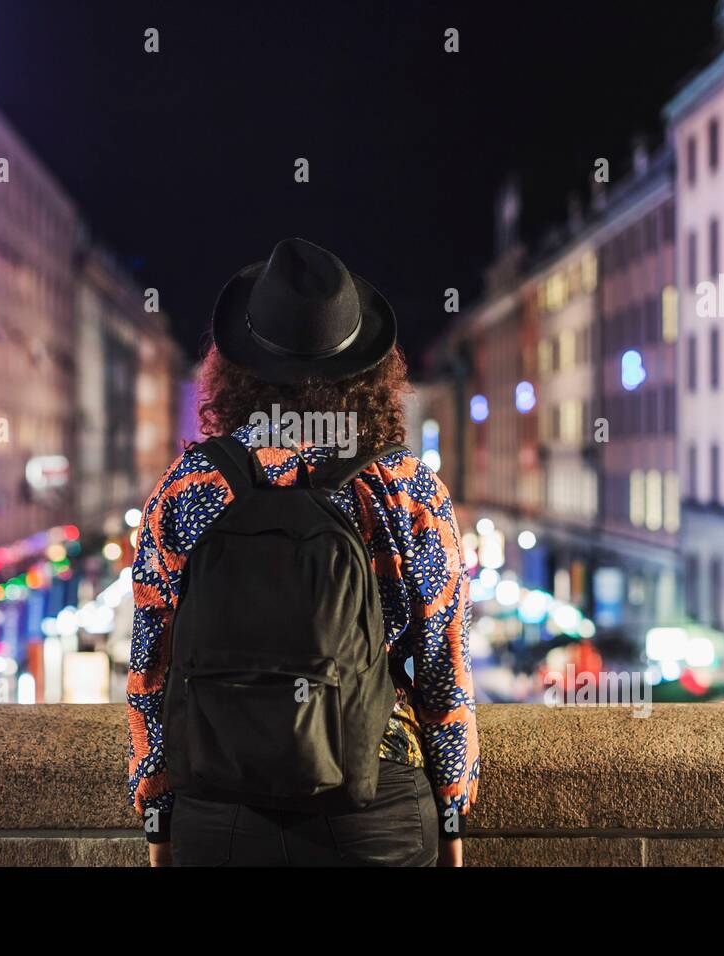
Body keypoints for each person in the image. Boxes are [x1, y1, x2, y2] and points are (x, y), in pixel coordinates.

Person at [126, 237, 480, 866]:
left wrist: (158, 818)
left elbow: (152, 673)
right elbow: (442, 674)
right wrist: (451, 815)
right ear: (369, 372)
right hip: (372, 806)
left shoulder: (188, 488)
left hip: (221, 809)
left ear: (236, 369)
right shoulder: (404, 488)